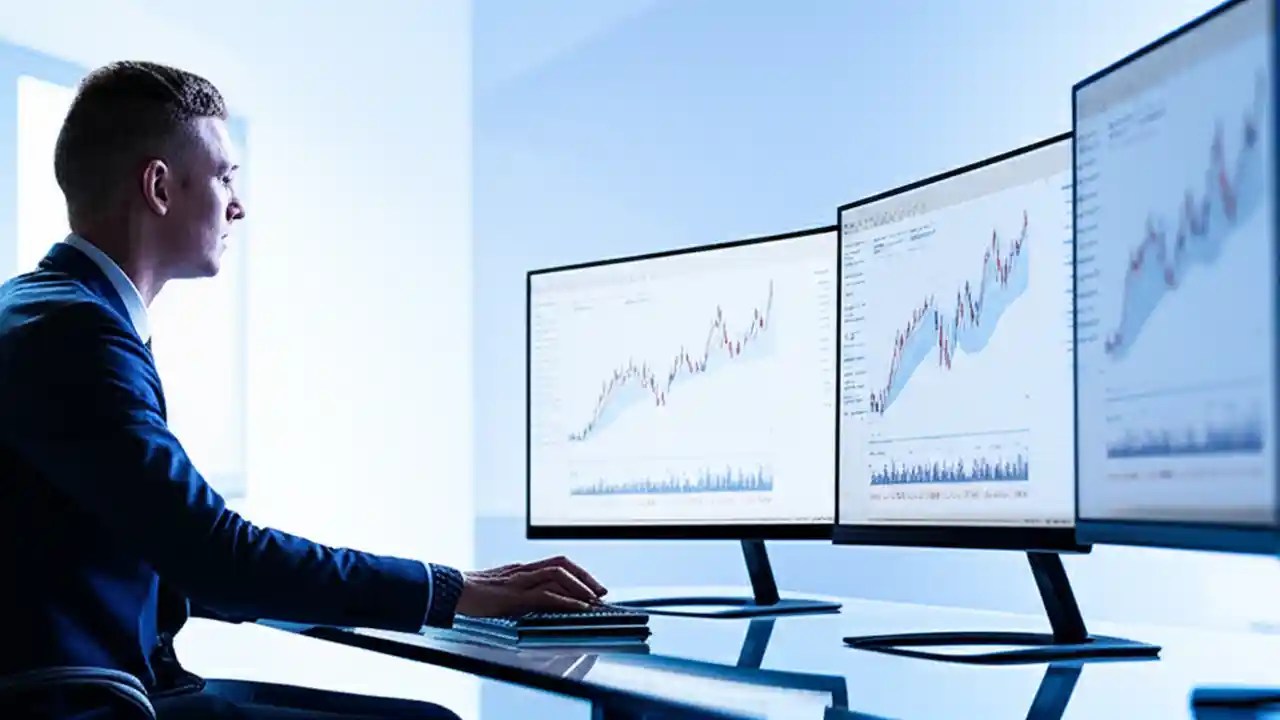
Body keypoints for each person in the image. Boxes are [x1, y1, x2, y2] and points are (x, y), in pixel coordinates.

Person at [0, 60, 607, 719]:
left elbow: (169, 549)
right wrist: (449, 590)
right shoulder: (75, 332)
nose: (239, 204)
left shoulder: (44, 311)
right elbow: (213, 556)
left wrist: (435, 590)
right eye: (225, 176)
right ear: (159, 187)